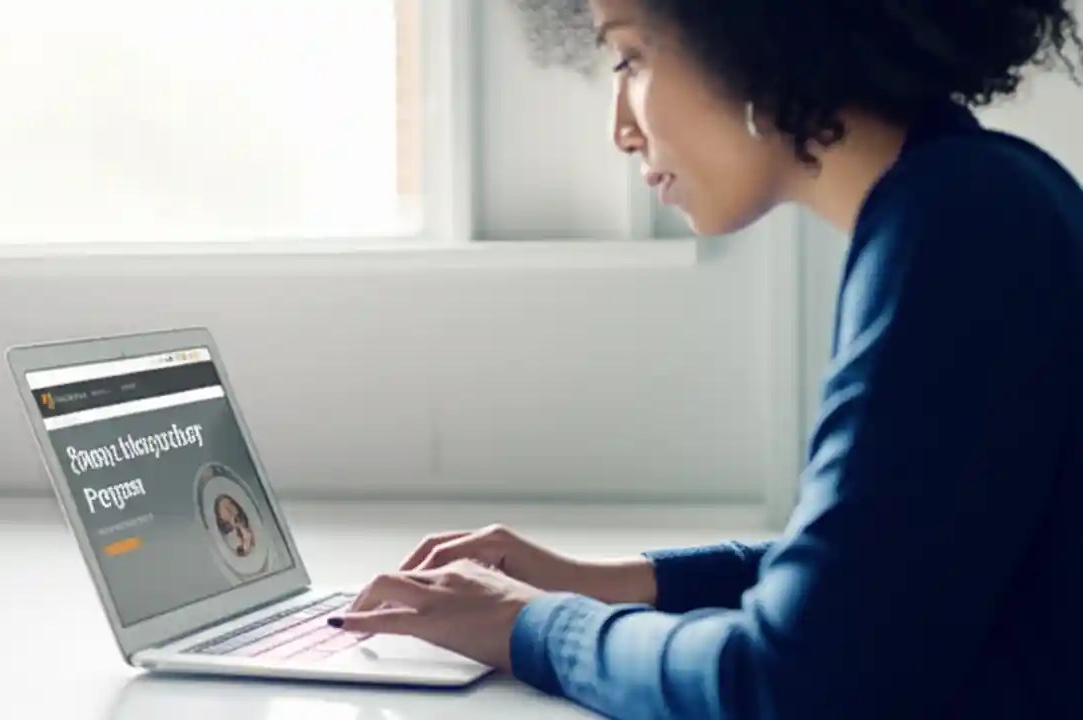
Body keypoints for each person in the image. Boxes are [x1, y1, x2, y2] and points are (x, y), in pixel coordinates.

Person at [329, 1, 1083, 718]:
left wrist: (529, 626)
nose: (620, 130)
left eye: (629, 57)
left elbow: (787, 684)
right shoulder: (982, 194)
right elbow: (879, 574)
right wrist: (611, 583)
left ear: (757, 33)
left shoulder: (956, 228)